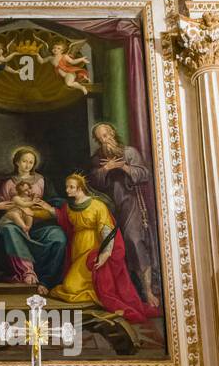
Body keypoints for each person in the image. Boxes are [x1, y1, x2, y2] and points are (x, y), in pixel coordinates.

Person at [50, 173, 159, 322]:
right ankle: (96, 293)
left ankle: (102, 298)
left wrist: (106, 253)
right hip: (77, 248)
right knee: (76, 284)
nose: (67, 190)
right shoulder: (70, 206)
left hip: (91, 251)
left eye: (71, 187)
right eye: (67, 187)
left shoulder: (97, 205)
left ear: (80, 188)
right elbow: (63, 217)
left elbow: (107, 231)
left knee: (69, 287)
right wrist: (46, 209)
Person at [86, 123, 160, 307]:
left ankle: (147, 290)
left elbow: (144, 174)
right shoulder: (98, 158)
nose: (106, 138)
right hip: (109, 205)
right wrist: (106, 168)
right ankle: (121, 291)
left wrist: (124, 167)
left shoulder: (129, 152)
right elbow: (94, 181)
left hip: (132, 202)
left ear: (113, 132)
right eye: (101, 137)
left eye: (107, 133)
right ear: (98, 141)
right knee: (112, 246)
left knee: (134, 240)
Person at [0, 146, 67, 290]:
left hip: (37, 223)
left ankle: (46, 279)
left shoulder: (41, 180)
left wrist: (48, 207)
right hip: (13, 221)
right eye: (24, 161)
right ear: (17, 162)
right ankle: (25, 272)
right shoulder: (8, 182)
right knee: (8, 230)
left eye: (31, 162)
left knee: (58, 236)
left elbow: (53, 200)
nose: (27, 165)